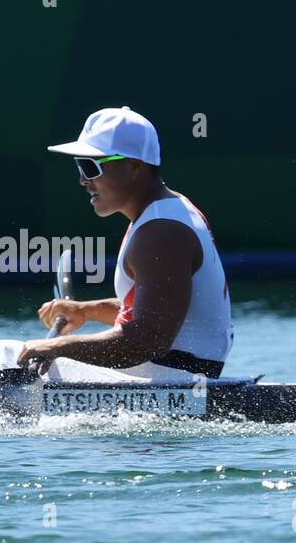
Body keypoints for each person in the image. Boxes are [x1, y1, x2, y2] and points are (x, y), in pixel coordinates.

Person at [16, 106, 232, 381]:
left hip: (171, 378)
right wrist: (87, 310)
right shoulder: (167, 212)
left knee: (0, 356)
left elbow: (147, 340)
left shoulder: (161, 231)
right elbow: (161, 308)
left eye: (90, 166)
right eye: (79, 166)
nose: (82, 180)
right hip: (175, 373)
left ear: (132, 167)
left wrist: (55, 347)